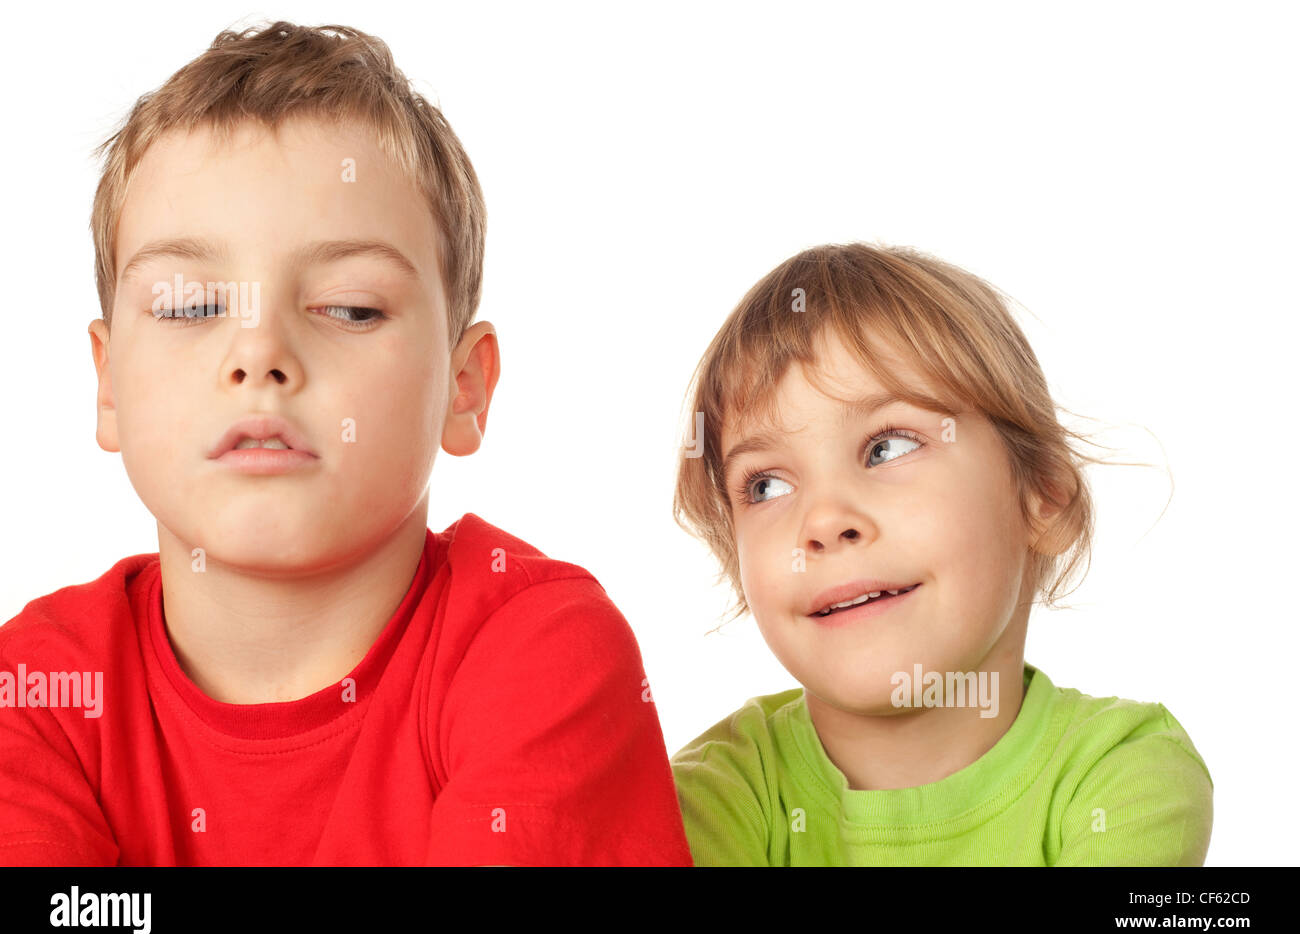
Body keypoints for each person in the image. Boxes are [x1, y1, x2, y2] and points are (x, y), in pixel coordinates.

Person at [0, 20, 691, 866]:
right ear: (108, 384)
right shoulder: (34, 688)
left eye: (352, 307)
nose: (259, 355)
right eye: (188, 305)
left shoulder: (543, 655)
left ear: (465, 388)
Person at [669, 242, 1212, 865]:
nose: (822, 521)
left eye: (888, 447)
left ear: (1042, 499)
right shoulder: (711, 801)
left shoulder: (1124, 775)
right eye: (766, 486)